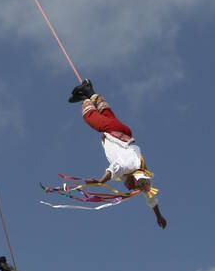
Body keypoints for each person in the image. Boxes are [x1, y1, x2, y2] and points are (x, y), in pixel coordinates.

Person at [68, 79, 167, 229]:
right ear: (133, 180)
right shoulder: (128, 167)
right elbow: (115, 167)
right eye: (130, 186)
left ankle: (88, 92)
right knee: (90, 118)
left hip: (122, 132)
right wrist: (101, 181)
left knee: (106, 112)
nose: (128, 188)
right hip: (112, 131)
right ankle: (86, 94)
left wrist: (158, 215)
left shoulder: (140, 170)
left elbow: (150, 196)